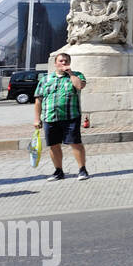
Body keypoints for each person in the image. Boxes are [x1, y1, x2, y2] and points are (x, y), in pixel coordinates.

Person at [34, 52, 89, 181]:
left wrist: (70, 73)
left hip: (71, 116)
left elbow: (79, 86)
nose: (63, 63)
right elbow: (38, 100)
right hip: (50, 117)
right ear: (55, 63)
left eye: (66, 61)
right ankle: (58, 171)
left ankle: (82, 170)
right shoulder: (45, 79)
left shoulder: (77, 75)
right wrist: (37, 119)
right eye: (61, 61)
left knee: (75, 143)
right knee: (53, 145)